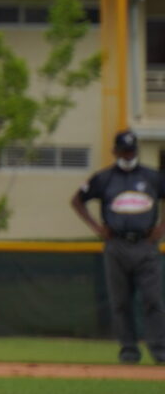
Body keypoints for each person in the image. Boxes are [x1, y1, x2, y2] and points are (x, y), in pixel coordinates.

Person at [73, 129, 164, 366]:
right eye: (123, 150)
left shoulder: (152, 177)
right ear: (115, 151)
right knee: (121, 302)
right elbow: (77, 200)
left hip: (145, 244)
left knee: (153, 300)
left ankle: (160, 351)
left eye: (131, 150)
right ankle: (129, 351)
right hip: (116, 245)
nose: (128, 154)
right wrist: (96, 228)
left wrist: (161, 229)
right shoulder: (104, 178)